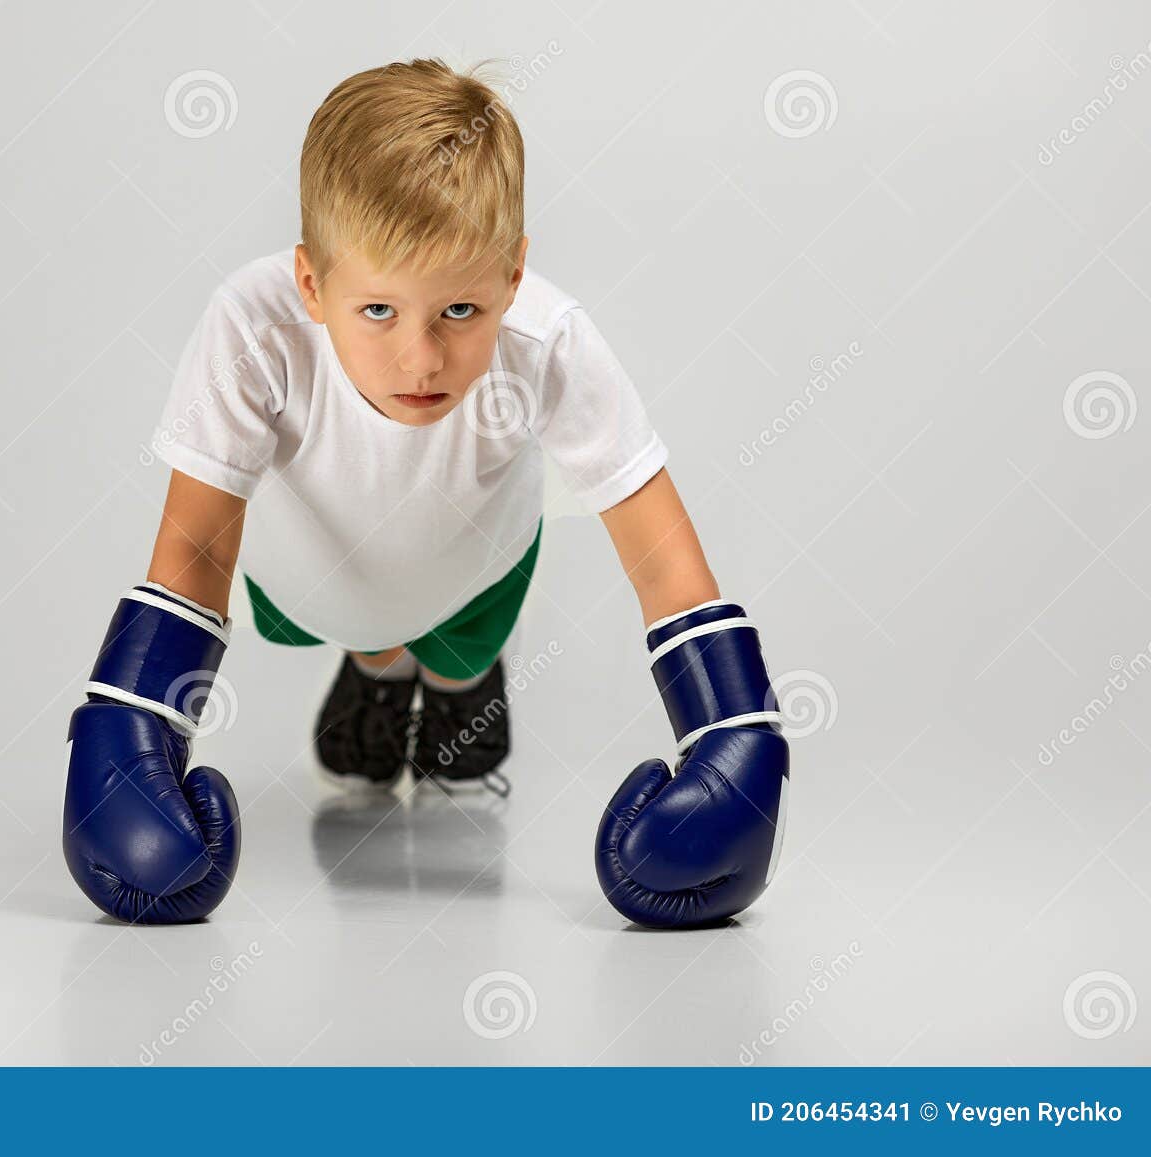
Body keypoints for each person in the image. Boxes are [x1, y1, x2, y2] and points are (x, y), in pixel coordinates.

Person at [61, 59, 790, 929]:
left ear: (513, 277)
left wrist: (735, 731)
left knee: (455, 664)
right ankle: (375, 666)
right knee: (370, 641)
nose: (421, 359)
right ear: (310, 284)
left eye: (460, 311)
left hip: (474, 570)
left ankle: (454, 677)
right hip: (308, 578)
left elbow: (660, 550)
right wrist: (130, 724)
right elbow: (196, 545)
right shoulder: (254, 327)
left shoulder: (546, 339)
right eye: (378, 311)